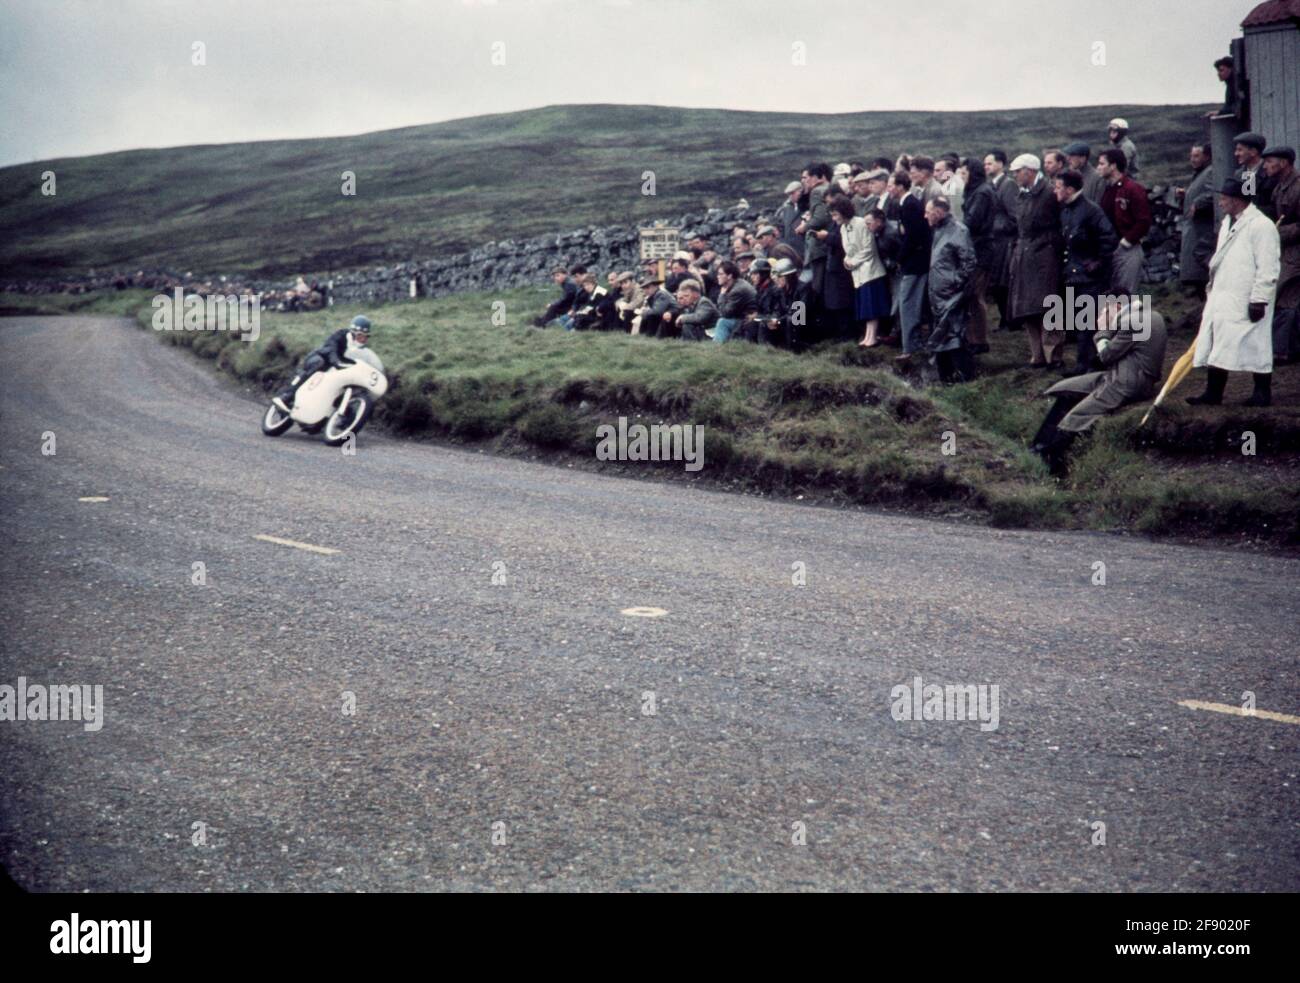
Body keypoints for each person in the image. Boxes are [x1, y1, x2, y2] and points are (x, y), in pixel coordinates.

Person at [1031, 296, 1167, 475]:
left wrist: (1103, 330)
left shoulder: (1132, 322)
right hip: (1125, 375)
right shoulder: (1149, 314)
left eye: (1104, 311)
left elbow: (1105, 356)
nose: (1100, 316)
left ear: (1117, 306)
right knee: (1068, 391)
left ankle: (1050, 466)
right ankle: (1038, 447)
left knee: (1077, 416)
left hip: (1126, 383)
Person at [1189, 177, 1281, 407]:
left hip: (1248, 296)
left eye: (1224, 199)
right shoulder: (1227, 223)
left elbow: (1268, 266)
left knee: (1257, 343)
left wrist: (1259, 299)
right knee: (1219, 341)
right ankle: (1213, 393)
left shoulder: (1261, 226)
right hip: (1225, 293)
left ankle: (1262, 393)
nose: (1220, 203)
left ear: (1237, 200)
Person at [1056, 169, 1119, 374]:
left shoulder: (1091, 211)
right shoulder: (1065, 211)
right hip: (1073, 275)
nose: (1055, 191)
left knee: (1089, 321)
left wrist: (1097, 262)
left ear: (1069, 189)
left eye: (1058, 187)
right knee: (1078, 320)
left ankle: (1091, 365)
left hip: (1090, 277)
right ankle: (1082, 364)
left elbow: (1109, 238)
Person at [1007, 154, 1064, 369]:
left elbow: (1059, 224)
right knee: (1027, 307)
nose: (1014, 175)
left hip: (1045, 255)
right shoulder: (1022, 194)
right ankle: (1037, 355)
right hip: (1024, 255)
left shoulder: (1049, 193)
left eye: (1017, 171)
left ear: (1029, 171)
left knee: (1048, 306)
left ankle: (1053, 356)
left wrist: (1049, 247)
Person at [920, 197, 977, 382]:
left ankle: (967, 379)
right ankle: (946, 380)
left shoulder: (959, 230)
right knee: (941, 335)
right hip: (938, 293)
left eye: (928, 212)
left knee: (954, 335)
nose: (925, 216)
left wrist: (954, 281)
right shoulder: (937, 230)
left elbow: (969, 262)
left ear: (938, 212)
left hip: (952, 294)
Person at [273, 315, 373, 411]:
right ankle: (287, 396)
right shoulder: (340, 335)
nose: (363, 340)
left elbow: (358, 363)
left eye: (365, 337)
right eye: (360, 336)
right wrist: (337, 362)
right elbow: (331, 350)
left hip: (332, 369)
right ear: (353, 332)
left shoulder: (359, 350)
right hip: (319, 359)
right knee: (318, 363)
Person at [833, 195, 889, 348]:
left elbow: (869, 248)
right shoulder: (843, 228)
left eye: (836, 214)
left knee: (872, 307)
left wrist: (853, 261)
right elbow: (849, 250)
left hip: (871, 271)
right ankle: (868, 336)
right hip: (858, 273)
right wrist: (847, 260)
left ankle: (872, 337)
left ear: (843, 212)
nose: (834, 218)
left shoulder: (860, 223)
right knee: (866, 307)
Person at [1262, 146, 1299, 364]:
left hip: (1292, 251)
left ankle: (1283, 349)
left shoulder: (1251, 175)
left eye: (1269, 161)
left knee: (1286, 297)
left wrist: (1276, 232)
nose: (1265, 166)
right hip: (1281, 248)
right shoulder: (1248, 174)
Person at [1097, 148, 1151, 295]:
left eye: (1102, 164)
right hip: (1110, 250)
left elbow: (1144, 221)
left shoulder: (1133, 189)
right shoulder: (1106, 189)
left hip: (1127, 250)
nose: (1098, 167)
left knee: (1125, 295)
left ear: (1113, 166)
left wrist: (1126, 241)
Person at [959, 157, 997, 354]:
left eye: (964, 173)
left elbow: (972, 221)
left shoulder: (981, 193)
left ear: (972, 174)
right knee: (972, 295)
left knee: (976, 295)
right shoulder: (977, 191)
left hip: (981, 249)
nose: (961, 177)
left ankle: (980, 340)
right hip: (976, 248)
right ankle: (973, 338)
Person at [891, 170, 932, 355]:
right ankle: (912, 344)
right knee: (910, 303)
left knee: (908, 303)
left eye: (892, 185)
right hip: (914, 261)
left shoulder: (910, 205)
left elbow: (912, 237)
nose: (889, 189)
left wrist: (899, 258)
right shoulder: (906, 203)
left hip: (915, 263)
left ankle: (910, 346)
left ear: (900, 186)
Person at [1177, 144, 1217, 300]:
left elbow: (1212, 193)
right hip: (1195, 230)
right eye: (1191, 156)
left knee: (1203, 273)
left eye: (1196, 156)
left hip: (1202, 232)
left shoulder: (1211, 172)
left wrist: (1198, 203)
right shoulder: (1200, 174)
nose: (1192, 160)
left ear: (1207, 156)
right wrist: (1186, 196)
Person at [985, 150, 1019, 329]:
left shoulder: (1008, 185)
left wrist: (1002, 228)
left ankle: (1010, 320)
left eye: (990, 163)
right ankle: (1005, 319)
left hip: (1005, 241)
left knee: (1004, 282)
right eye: (985, 164)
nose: (986, 167)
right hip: (995, 241)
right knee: (996, 282)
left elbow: (1015, 215)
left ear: (1000, 164)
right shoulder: (992, 185)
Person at [744, 258, 788, 345]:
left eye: (755, 273)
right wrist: (755, 315)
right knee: (748, 322)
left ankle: (765, 350)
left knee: (761, 324)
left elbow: (777, 313)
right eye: (751, 274)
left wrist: (759, 317)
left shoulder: (775, 290)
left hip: (777, 324)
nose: (752, 277)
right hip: (766, 320)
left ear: (763, 274)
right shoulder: (759, 289)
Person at [1233, 131, 1276, 219]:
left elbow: (1275, 207)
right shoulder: (1239, 174)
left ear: (1253, 152)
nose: (1236, 154)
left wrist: (1249, 213)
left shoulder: (1271, 173)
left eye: (1240, 150)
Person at [713, 260, 757, 343]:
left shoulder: (737, 290)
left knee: (723, 322)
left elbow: (725, 313)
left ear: (729, 276)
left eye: (721, 274)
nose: (717, 276)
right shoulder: (736, 284)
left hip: (748, 320)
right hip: (742, 318)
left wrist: (722, 295)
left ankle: (717, 346)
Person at [775, 180, 805, 253]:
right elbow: (781, 227)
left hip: (803, 245)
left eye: (793, 193)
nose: (791, 196)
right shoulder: (785, 208)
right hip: (789, 246)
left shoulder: (806, 205)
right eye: (790, 194)